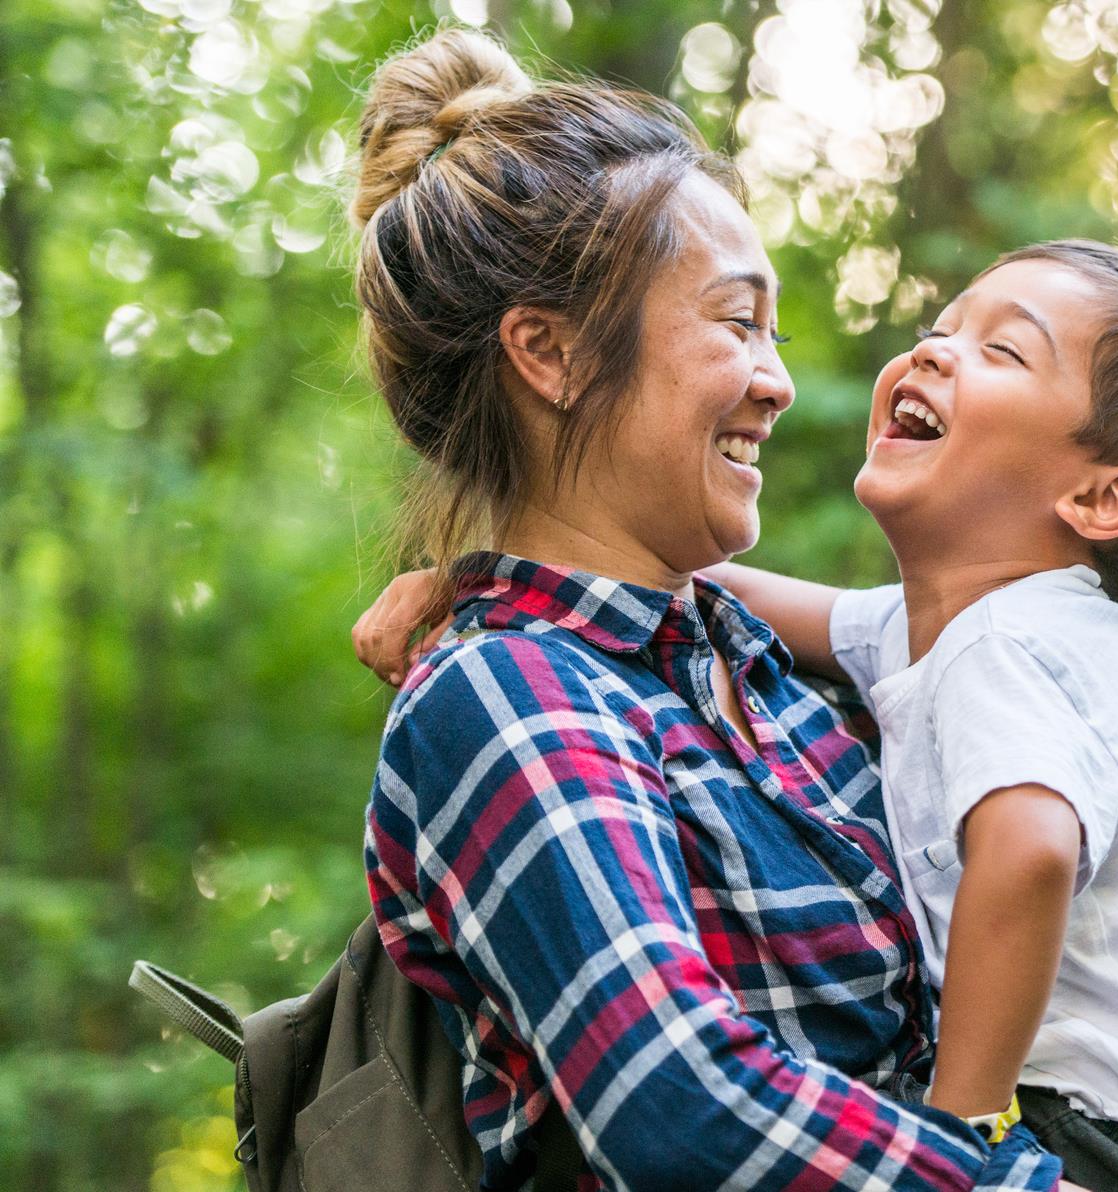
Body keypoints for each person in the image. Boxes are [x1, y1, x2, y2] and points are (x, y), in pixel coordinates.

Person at [361, 241, 1118, 1190]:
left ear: (1098, 497)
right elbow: (685, 576)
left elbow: (1031, 852)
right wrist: (466, 575)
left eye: (1003, 352)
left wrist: (962, 1127)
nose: (934, 353)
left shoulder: (1006, 647)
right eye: (942, 329)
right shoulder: (944, 631)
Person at [345, 26, 1073, 1191]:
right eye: (738, 322)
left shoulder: (771, 673)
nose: (778, 380)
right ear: (553, 352)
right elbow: (684, 1107)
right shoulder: (499, 694)